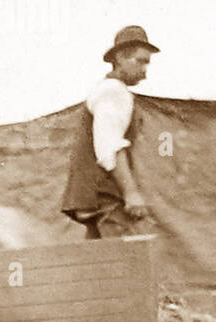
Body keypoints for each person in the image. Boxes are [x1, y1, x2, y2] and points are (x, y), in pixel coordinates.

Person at [60, 25, 159, 239]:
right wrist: (131, 193)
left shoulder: (110, 90)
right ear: (121, 57)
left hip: (96, 197)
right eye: (140, 61)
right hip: (106, 198)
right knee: (132, 261)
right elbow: (110, 147)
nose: (144, 71)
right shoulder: (113, 91)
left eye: (147, 63)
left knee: (102, 266)